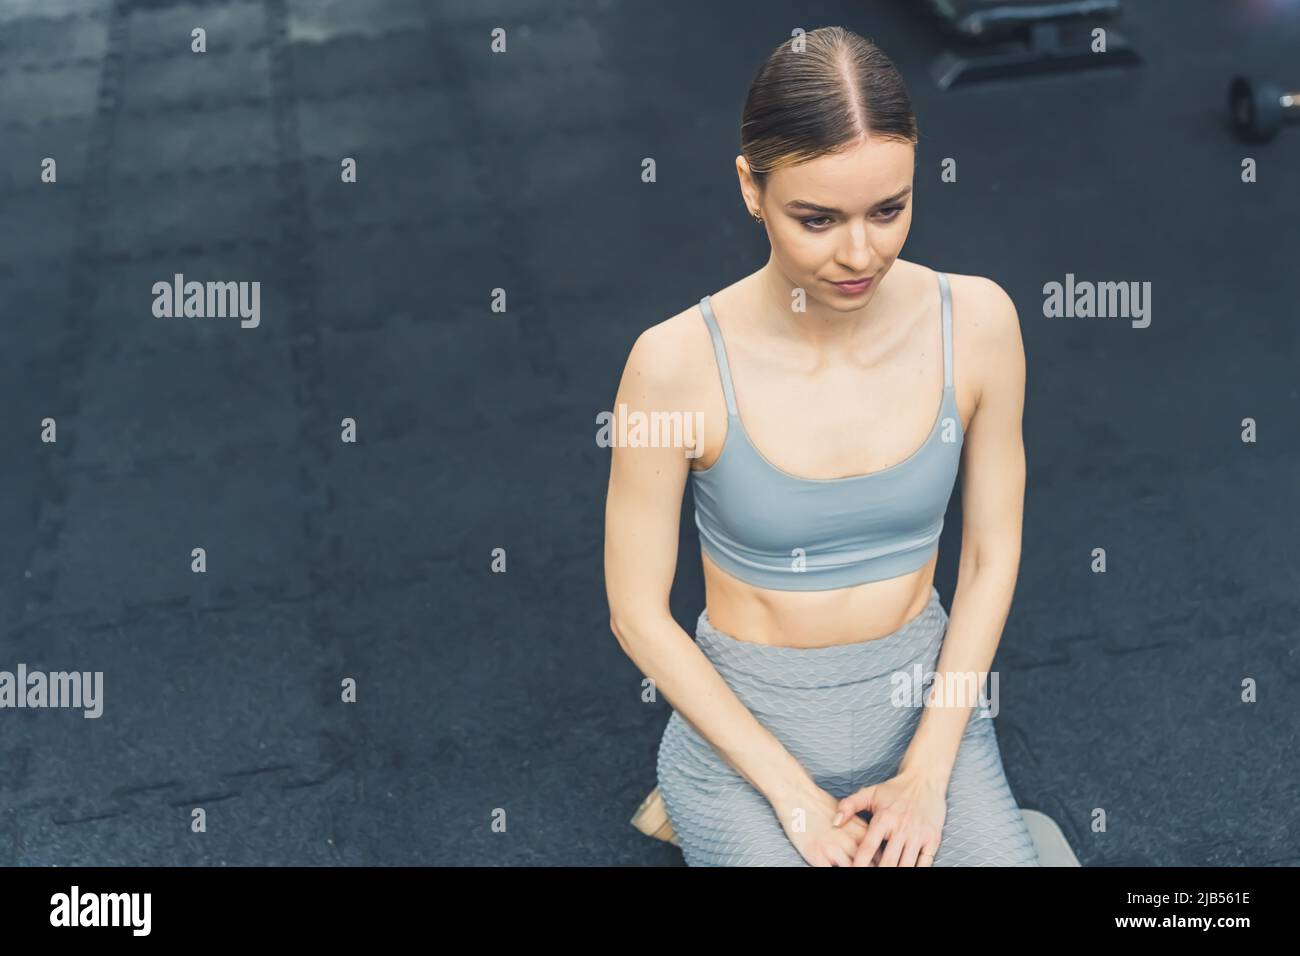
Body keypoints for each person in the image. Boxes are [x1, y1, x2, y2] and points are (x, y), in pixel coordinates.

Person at [603, 25, 1040, 867]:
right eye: (817, 218)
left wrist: (929, 770)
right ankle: (689, 793)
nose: (859, 254)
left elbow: (990, 554)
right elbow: (636, 615)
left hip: (924, 711)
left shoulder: (981, 322)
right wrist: (793, 798)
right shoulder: (672, 365)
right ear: (750, 189)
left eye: (889, 209)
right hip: (750, 739)